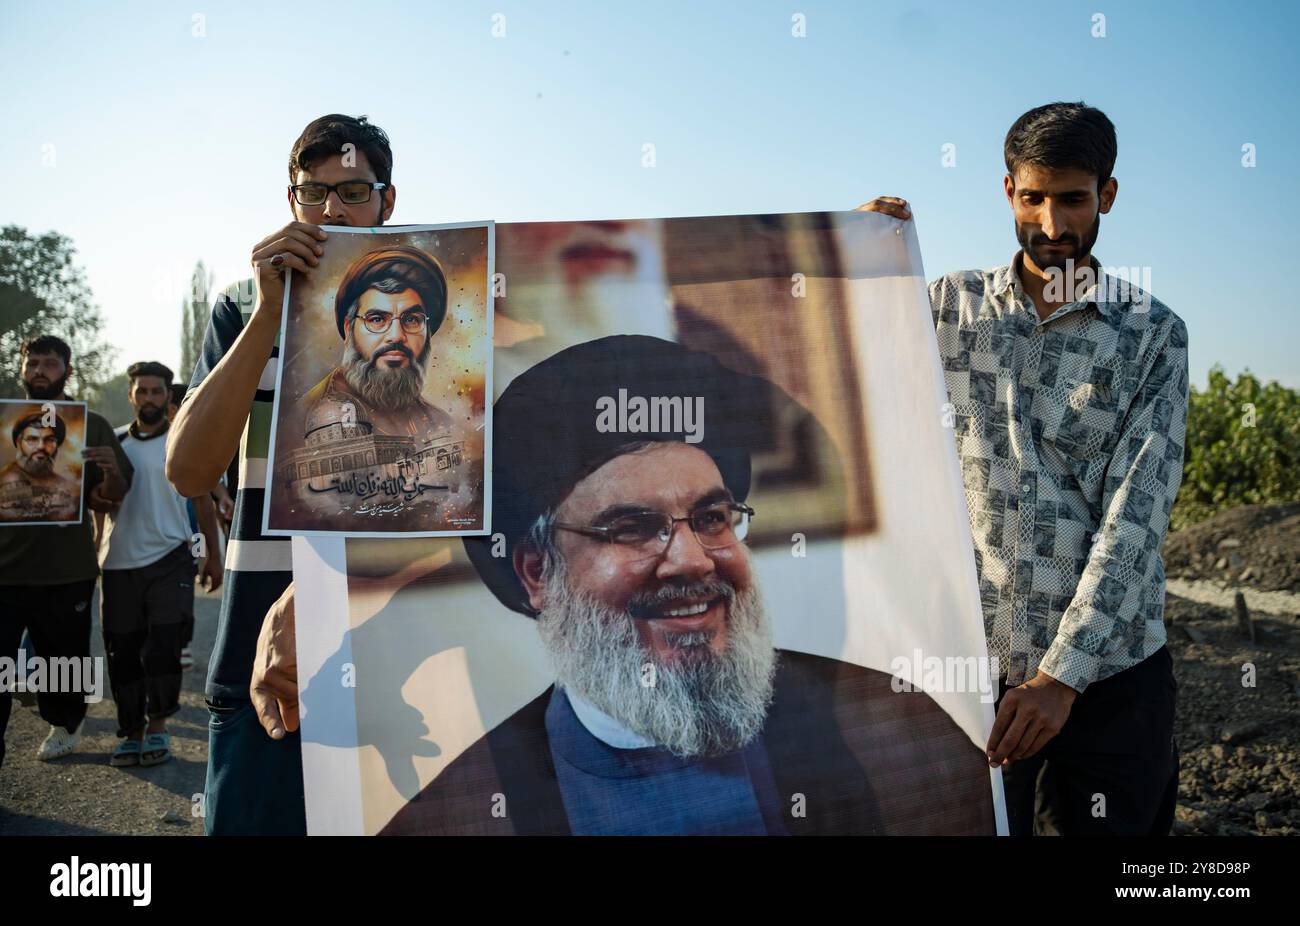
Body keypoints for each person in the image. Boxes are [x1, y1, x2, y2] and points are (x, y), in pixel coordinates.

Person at [379, 335, 994, 835]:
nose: (693, 560)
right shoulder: (454, 815)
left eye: (711, 518)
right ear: (539, 572)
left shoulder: (899, 730)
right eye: (631, 527)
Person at [860, 101, 1188, 835]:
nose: (1052, 226)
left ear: (1106, 194)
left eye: (1072, 200)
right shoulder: (943, 309)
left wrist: (1061, 677)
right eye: (1032, 198)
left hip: (1112, 673)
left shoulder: (1152, 335)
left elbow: (1137, 516)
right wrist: (846, 255)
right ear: (1007, 190)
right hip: (971, 667)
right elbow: (833, 370)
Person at [167, 113, 397, 834]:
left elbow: (461, 499)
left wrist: (330, 590)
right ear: (289, 200)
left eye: (353, 190)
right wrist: (271, 313)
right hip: (261, 669)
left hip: (401, 660)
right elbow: (188, 468)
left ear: (388, 202)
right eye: (313, 192)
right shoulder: (242, 305)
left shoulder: (442, 308)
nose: (332, 210)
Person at [0, 335, 133, 765]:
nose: (40, 370)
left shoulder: (87, 426)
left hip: (65, 573)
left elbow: (107, 499)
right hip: (4, 572)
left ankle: (65, 722)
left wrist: (111, 473)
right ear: (22, 370)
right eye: (32, 363)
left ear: (66, 372)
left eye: (49, 364)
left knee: (63, 665)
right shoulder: (3, 422)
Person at [98, 362, 223, 767]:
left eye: (157, 392)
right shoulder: (114, 446)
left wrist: (210, 556)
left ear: (168, 397)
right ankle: (130, 732)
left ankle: (157, 728)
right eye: (142, 391)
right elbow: (98, 506)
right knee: (123, 652)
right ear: (131, 395)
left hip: (171, 560)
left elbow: (202, 501)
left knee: (164, 649)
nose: (149, 398)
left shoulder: (182, 444)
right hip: (118, 564)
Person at [302, 246, 454, 443]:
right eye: (376, 319)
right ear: (349, 329)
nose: (396, 336)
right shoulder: (303, 415)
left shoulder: (441, 424)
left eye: (412, 320)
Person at [0, 413, 81, 522]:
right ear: (19, 443)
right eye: (32, 439)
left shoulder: (69, 487)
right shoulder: (4, 480)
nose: (41, 446)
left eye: (49, 440)